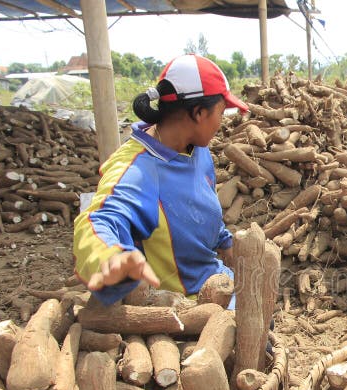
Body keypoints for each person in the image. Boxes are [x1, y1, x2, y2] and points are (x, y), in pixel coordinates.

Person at [73, 54, 249, 305]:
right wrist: (110, 257)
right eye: (221, 112)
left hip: (216, 277)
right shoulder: (138, 169)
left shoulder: (197, 149)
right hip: (184, 304)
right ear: (199, 112)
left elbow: (197, 206)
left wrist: (225, 241)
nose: (222, 122)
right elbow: (98, 220)